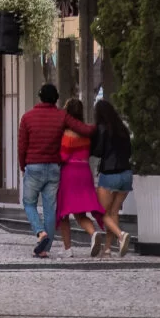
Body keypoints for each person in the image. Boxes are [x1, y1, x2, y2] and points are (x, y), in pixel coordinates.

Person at [16, 84, 71, 258]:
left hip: (34, 165)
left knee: (29, 203)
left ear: (40, 97)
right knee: (50, 209)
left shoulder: (27, 117)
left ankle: (40, 233)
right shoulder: (62, 117)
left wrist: (22, 165)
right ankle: (45, 250)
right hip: (54, 167)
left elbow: (22, 145)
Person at [55, 99, 102, 255]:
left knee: (64, 213)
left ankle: (68, 249)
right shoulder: (86, 134)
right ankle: (93, 233)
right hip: (85, 171)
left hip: (70, 173)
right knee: (81, 213)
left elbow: (63, 156)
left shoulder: (67, 134)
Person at [89, 97, 134, 257]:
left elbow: (98, 151)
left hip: (109, 174)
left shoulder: (102, 129)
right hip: (126, 174)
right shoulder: (122, 128)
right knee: (113, 212)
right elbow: (129, 151)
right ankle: (107, 249)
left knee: (102, 213)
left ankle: (121, 235)